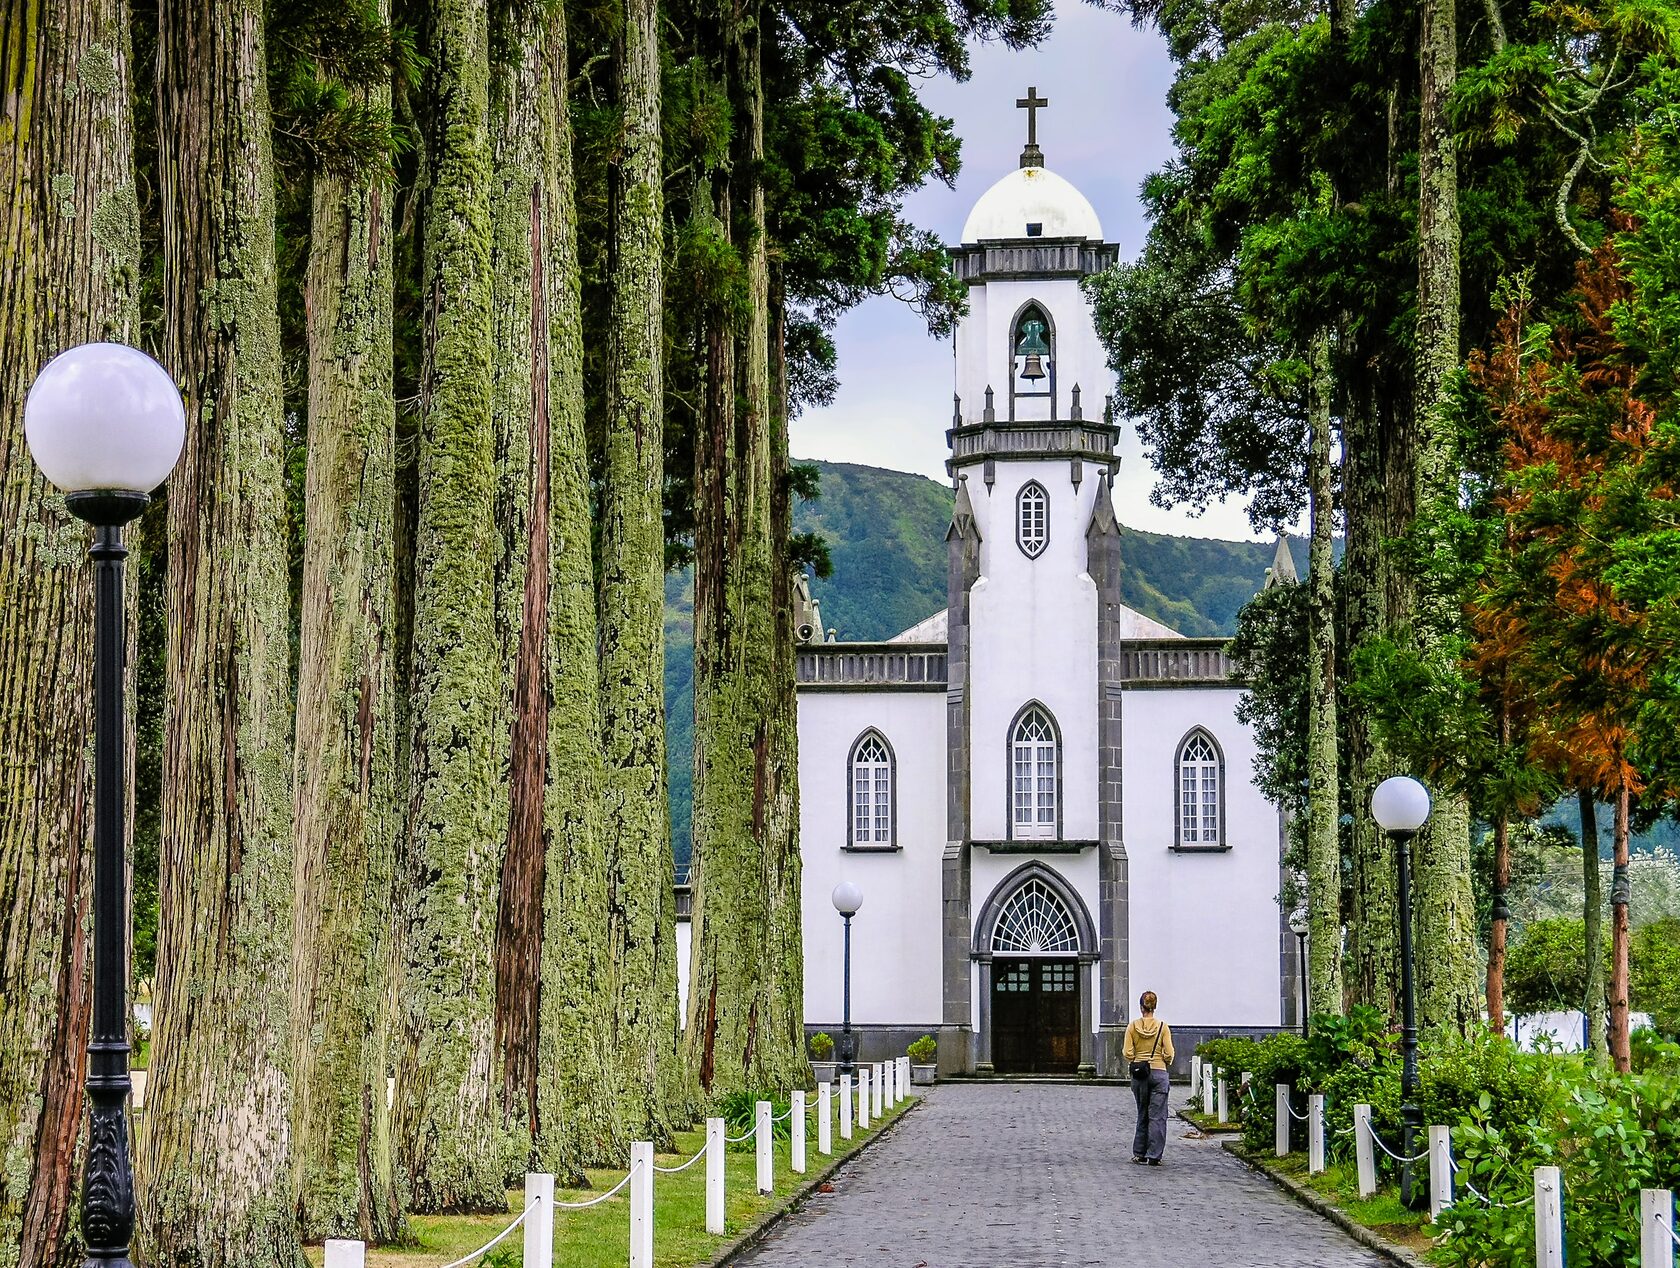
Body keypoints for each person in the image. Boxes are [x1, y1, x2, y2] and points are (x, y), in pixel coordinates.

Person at [1123, 990, 1174, 1165]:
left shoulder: (1132, 1027)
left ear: (1141, 1007)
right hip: (1159, 1073)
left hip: (1140, 1075)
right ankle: (1154, 1155)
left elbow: (1127, 1053)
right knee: (1158, 1116)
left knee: (1142, 1113)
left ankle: (1139, 1153)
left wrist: (1138, 1057)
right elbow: (1169, 1053)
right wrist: (1161, 1060)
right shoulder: (1163, 1027)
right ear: (1154, 1007)